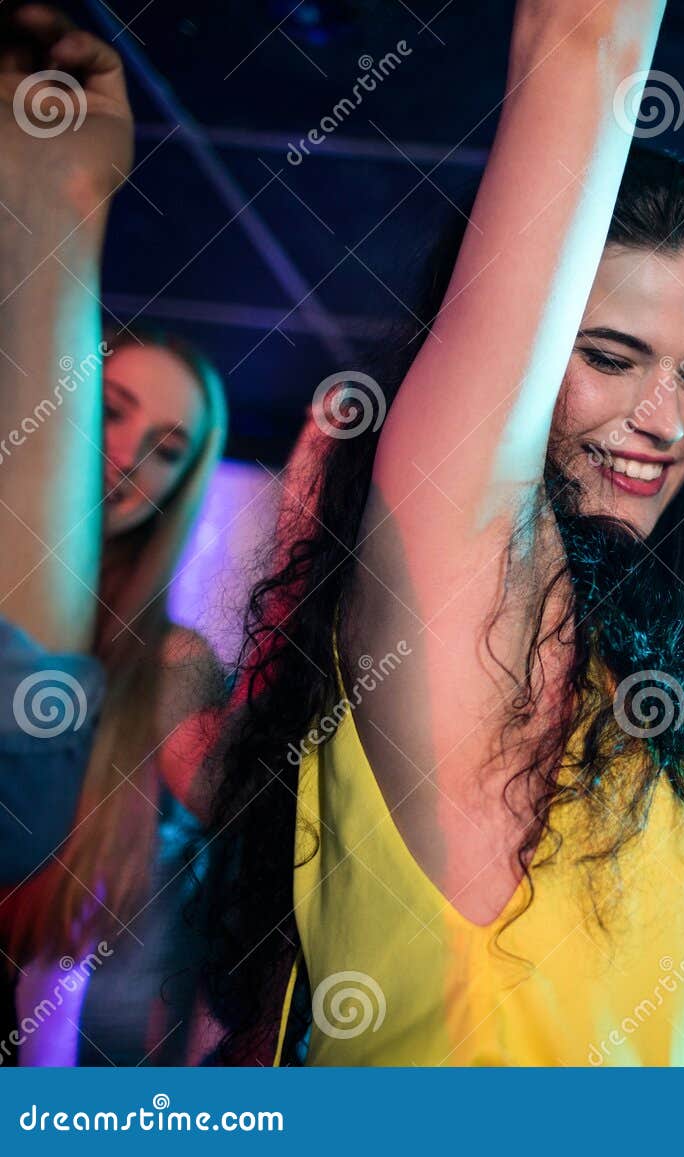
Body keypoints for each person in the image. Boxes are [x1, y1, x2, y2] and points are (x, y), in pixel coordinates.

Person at [197, 0, 684, 1066]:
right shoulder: (473, 592)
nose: (663, 419)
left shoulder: (644, 683)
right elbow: (579, 43)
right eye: (609, 357)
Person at [0, 8, 228, 1066]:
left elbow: (245, 894)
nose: (131, 454)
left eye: (169, 447)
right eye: (114, 411)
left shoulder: (174, 668)